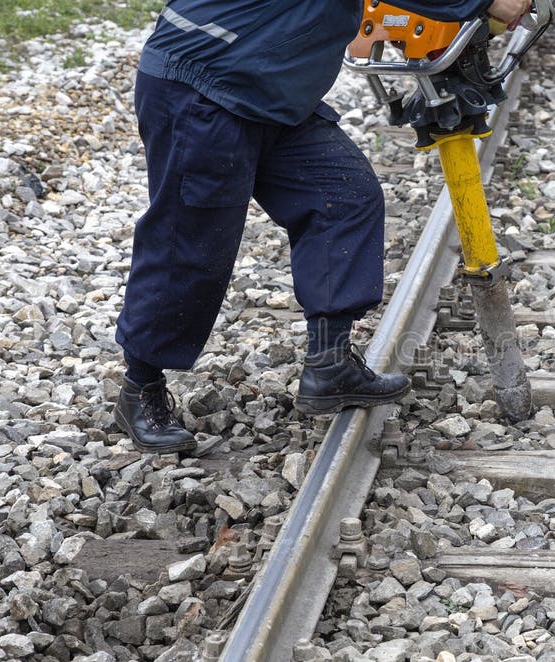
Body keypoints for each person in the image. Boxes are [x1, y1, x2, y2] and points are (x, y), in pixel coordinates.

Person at [113, 0, 531, 454]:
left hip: (271, 86)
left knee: (344, 196)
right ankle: (140, 390)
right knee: (189, 242)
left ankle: (329, 364)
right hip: (205, 81)